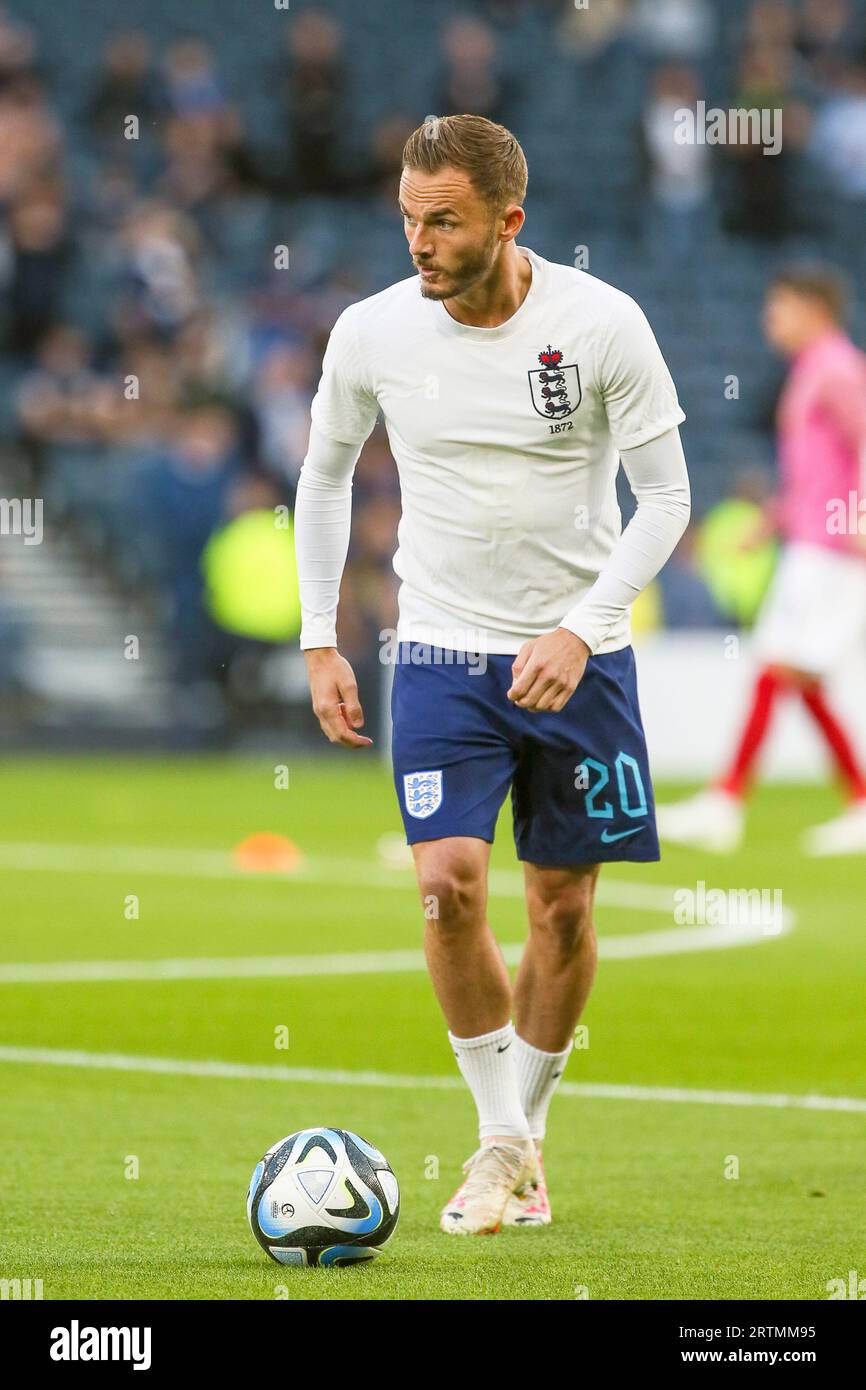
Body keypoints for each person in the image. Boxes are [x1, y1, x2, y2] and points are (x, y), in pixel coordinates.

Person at [294, 114, 690, 1235]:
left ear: (509, 221)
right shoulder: (371, 333)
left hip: (581, 659)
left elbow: (665, 499)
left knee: (558, 910)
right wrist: (319, 635)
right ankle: (499, 1139)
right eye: (408, 219)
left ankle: (525, 1140)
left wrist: (583, 625)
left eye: (444, 221)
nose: (418, 241)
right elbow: (324, 475)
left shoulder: (601, 323)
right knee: (449, 883)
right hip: (435, 648)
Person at [657, 266, 866, 855]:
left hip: (831, 550)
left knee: (779, 666)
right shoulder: (811, 371)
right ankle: (854, 801)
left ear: (811, 308)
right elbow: (817, 470)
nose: (769, 321)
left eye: (778, 308)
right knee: (798, 675)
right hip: (812, 543)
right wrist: (774, 521)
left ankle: (725, 800)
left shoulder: (835, 368)